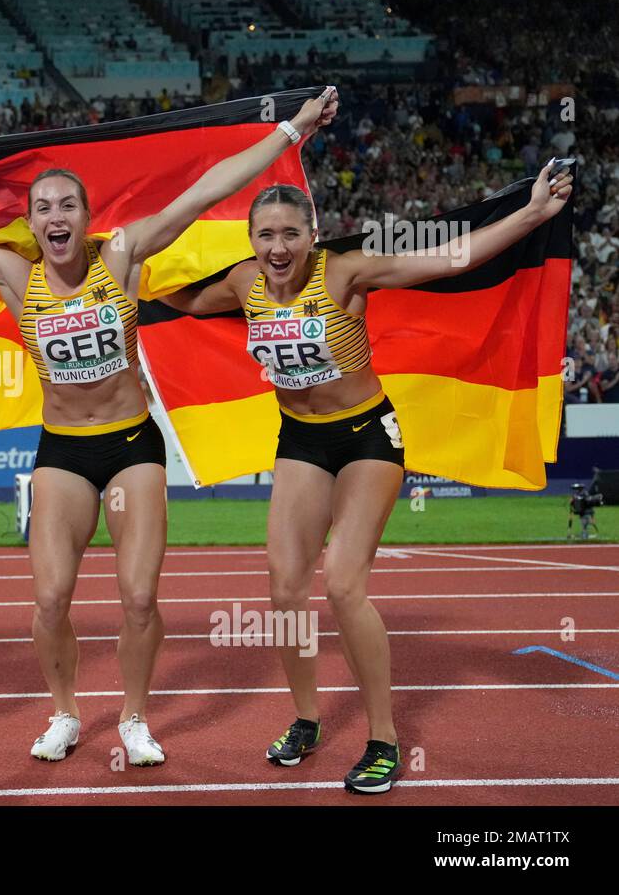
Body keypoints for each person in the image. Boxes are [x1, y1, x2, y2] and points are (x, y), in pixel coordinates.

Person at [0, 89, 340, 765]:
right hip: (63, 451)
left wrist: (291, 130)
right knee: (51, 598)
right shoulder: (11, 274)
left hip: (132, 444)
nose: (57, 217)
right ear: (31, 223)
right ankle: (65, 714)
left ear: (86, 218)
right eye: (44, 208)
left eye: (68, 206)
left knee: (139, 596)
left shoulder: (123, 256)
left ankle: (136, 719)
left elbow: (204, 192)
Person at [157, 159, 573, 793]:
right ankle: (306, 719)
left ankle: (383, 737)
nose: (278, 247)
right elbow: (181, 298)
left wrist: (533, 213)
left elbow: (449, 259)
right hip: (299, 439)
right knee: (284, 589)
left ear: (313, 232)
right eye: (265, 234)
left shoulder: (345, 271)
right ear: (250, 239)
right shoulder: (244, 284)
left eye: (290, 233)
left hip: (366, 436)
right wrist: (123, 265)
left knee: (344, 584)